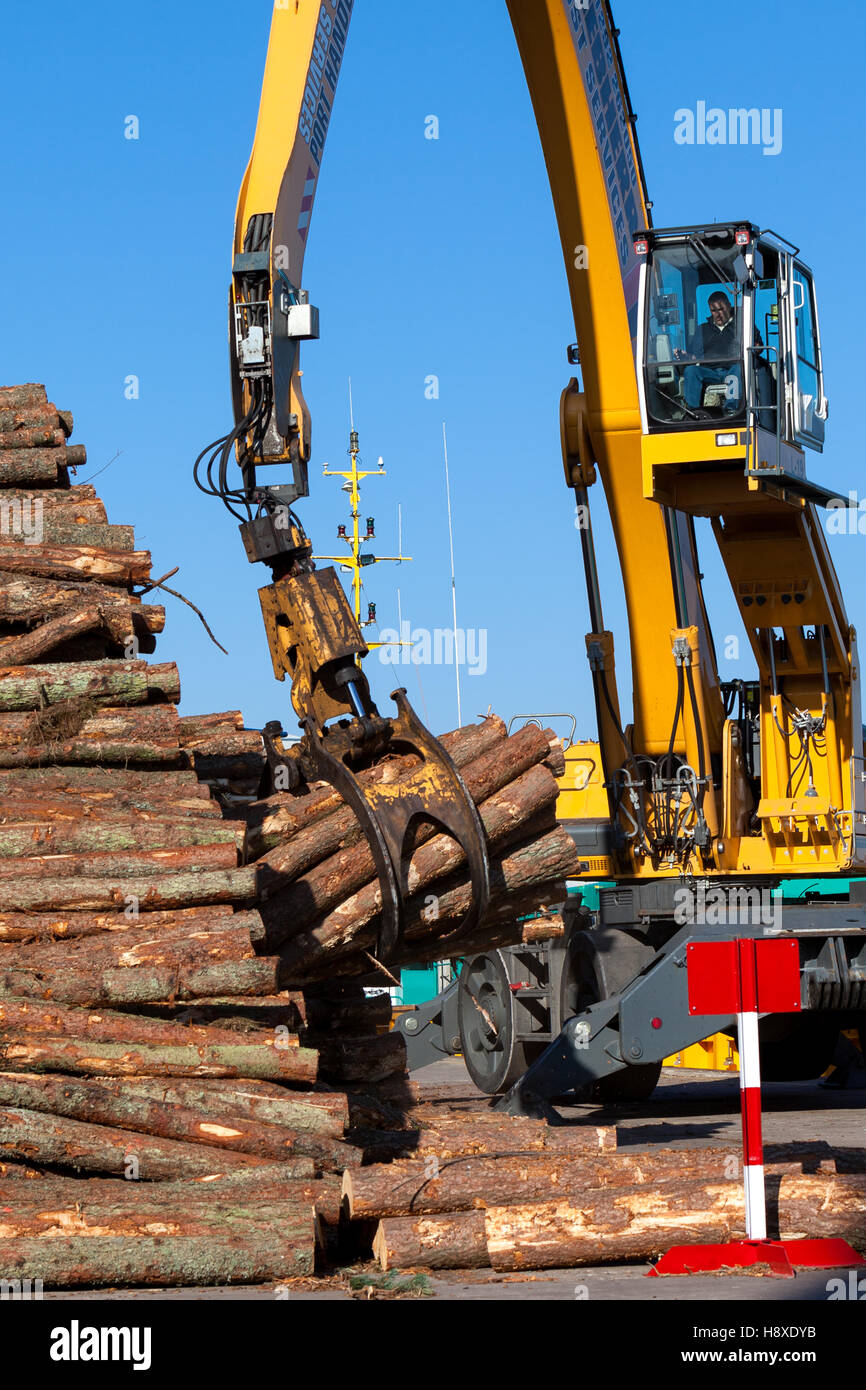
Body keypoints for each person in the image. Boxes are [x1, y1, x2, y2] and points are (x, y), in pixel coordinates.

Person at [675, 291, 743, 416]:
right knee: (691, 371)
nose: (718, 314)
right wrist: (686, 357)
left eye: (721, 309)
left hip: (732, 370)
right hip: (710, 371)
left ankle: (730, 410)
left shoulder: (742, 325)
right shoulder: (703, 329)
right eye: (713, 311)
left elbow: (757, 344)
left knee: (739, 369)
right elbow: (694, 356)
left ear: (729, 306)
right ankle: (693, 412)